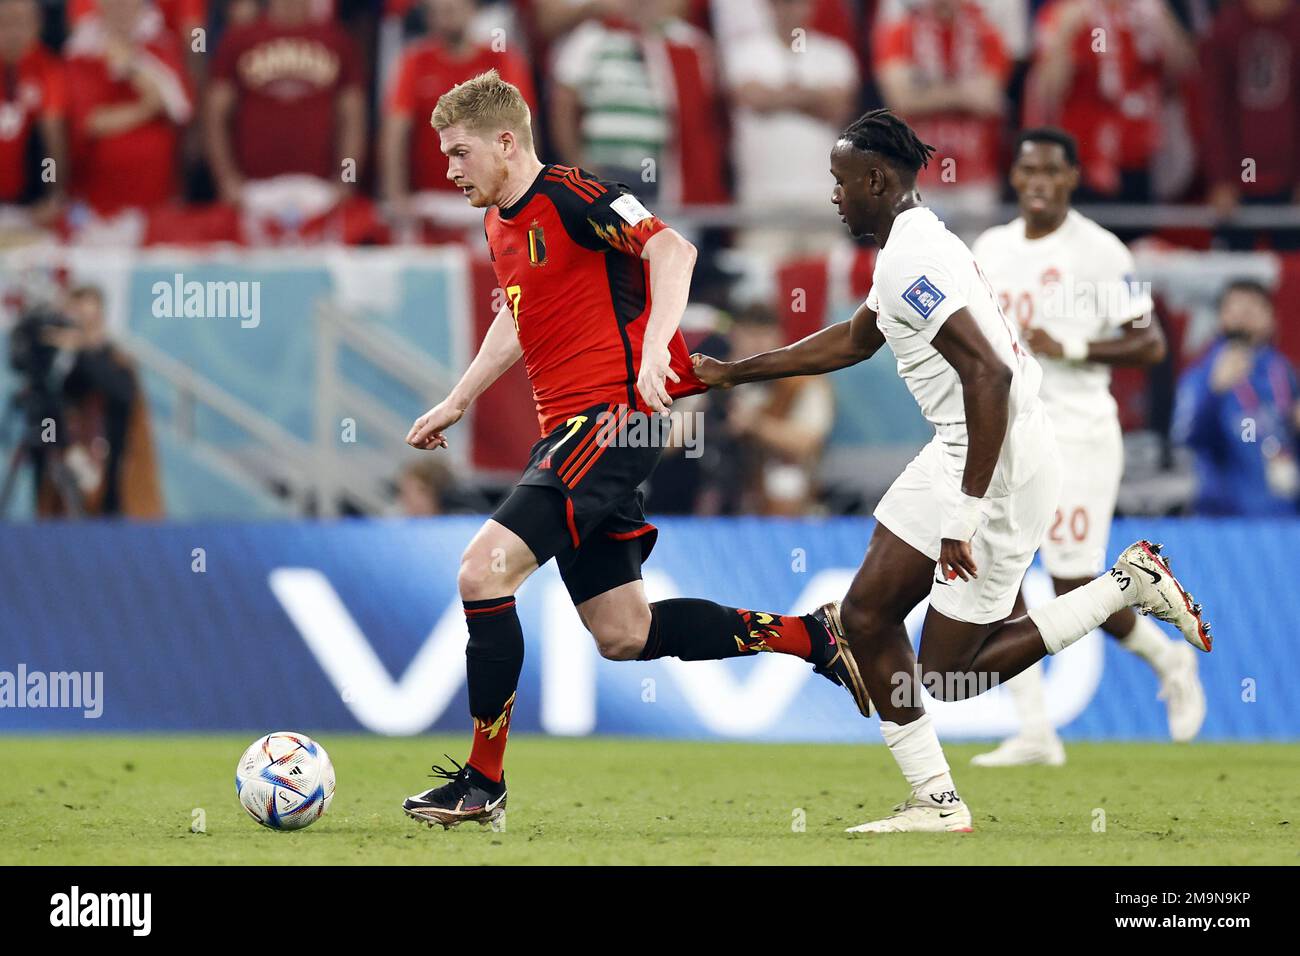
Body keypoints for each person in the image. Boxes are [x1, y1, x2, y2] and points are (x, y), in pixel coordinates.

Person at [692, 108, 1212, 833]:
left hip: (996, 460)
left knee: (947, 671)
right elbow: (852, 340)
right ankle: (936, 801)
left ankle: (1125, 584)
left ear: (876, 179)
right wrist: (731, 373)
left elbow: (990, 377)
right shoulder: (915, 241)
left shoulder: (913, 258)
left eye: (840, 182)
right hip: (960, 447)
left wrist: (964, 516)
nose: (835, 197)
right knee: (867, 616)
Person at [399, 69, 852, 830]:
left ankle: (483, 782)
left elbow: (672, 252)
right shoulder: (500, 220)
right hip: (574, 431)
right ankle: (813, 636)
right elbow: (518, 316)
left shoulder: (575, 195)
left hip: (611, 423)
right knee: (623, 633)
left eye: (459, 153)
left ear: (506, 142)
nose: (449, 170)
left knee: (482, 570)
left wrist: (650, 354)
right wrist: (459, 397)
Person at [969, 127, 1204, 766]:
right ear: (1015, 178)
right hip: (1014, 432)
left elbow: (1150, 344)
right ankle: (1036, 731)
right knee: (1000, 573)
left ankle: (1169, 657)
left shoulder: (1101, 253)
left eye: (1052, 171)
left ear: (1073, 177)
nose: (1039, 182)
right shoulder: (990, 247)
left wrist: (1071, 346)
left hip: (1080, 433)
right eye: (1028, 171)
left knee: (1075, 580)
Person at [1173, 279, 1300, 516]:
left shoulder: (1284, 372)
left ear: (1272, 318)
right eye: (1236, 307)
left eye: (1253, 306)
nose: (1245, 314)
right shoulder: (1202, 375)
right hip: (1225, 524)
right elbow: (1185, 438)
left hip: (1286, 519)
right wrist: (1214, 392)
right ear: (1221, 317)